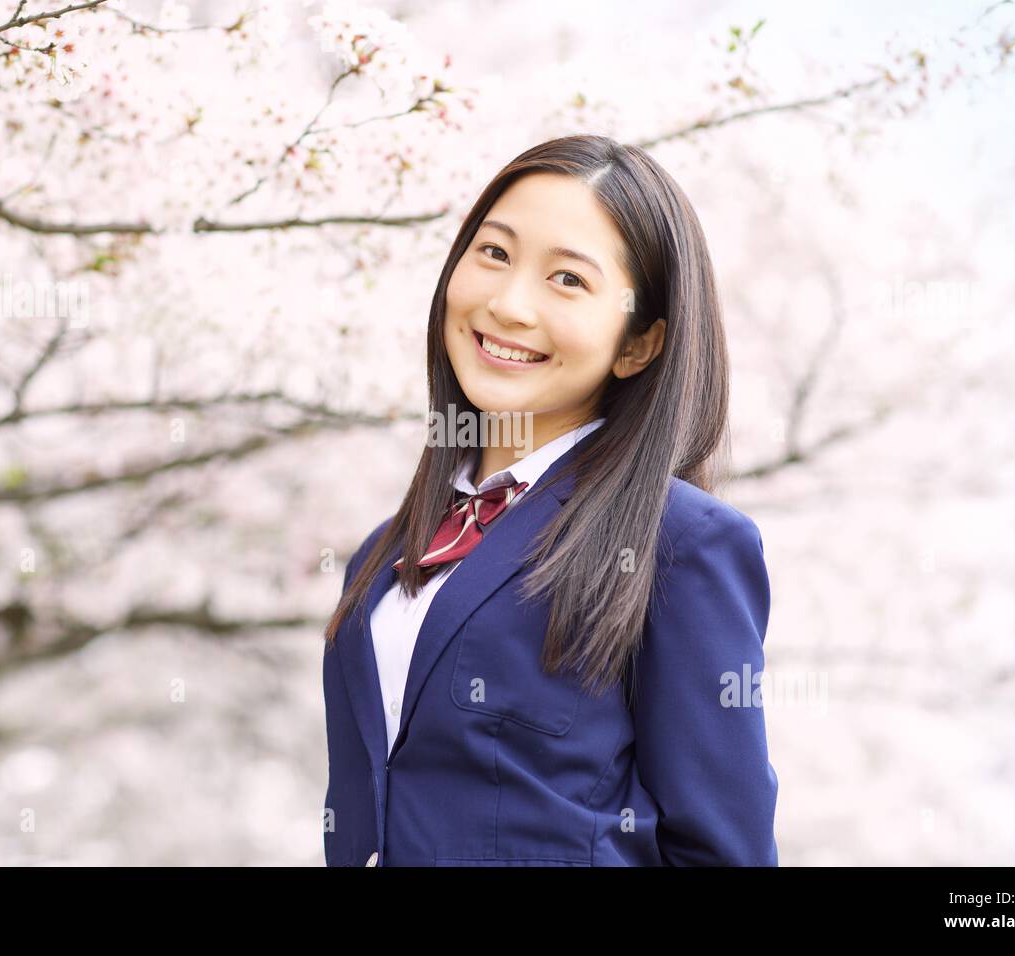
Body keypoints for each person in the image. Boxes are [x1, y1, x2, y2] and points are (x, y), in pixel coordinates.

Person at [322, 134, 778, 866]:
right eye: (494, 254)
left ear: (640, 344)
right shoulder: (382, 557)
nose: (507, 305)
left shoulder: (682, 544)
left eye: (567, 280)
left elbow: (723, 851)